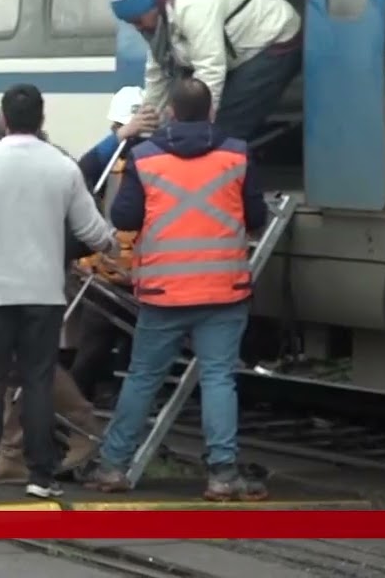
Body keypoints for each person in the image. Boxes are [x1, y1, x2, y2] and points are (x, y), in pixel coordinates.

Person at [84, 78, 269, 502]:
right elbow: (255, 215)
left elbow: (125, 218)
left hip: (164, 290)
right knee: (219, 378)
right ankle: (223, 474)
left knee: (143, 377)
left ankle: (113, 467)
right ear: (210, 113)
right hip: (224, 289)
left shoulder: (145, 158)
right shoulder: (237, 154)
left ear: (169, 113)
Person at [0, 85, 118, 500]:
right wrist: (115, 245)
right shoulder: (61, 168)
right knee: (39, 383)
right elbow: (92, 231)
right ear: (41, 120)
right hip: (43, 296)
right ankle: (42, 477)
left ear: (4, 120)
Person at [105, 0, 302, 141]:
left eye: (138, 20)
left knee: (227, 125)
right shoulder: (160, 18)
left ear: (151, 4)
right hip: (240, 49)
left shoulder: (191, 4)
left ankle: (231, 167)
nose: (138, 28)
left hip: (276, 39)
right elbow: (157, 75)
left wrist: (196, 132)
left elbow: (210, 70)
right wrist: (148, 125)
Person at [68, 86, 158, 401]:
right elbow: (83, 172)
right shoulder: (115, 161)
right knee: (101, 346)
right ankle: (83, 405)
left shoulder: (138, 161)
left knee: (108, 347)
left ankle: (92, 401)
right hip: (120, 271)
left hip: (124, 270)